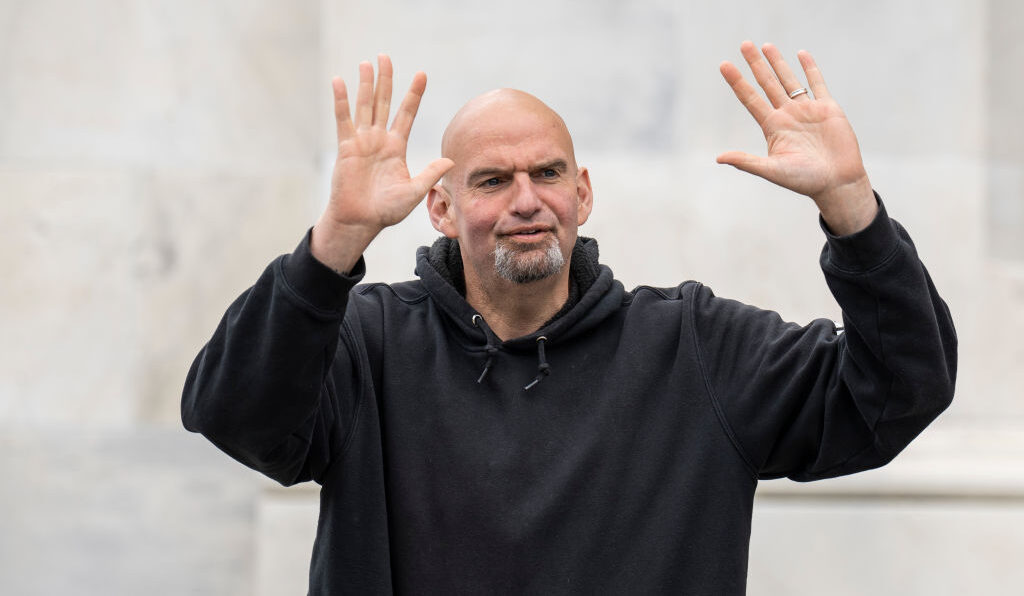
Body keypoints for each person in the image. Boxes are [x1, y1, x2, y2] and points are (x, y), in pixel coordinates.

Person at [182, 41, 956, 594]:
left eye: (547, 172)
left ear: (581, 194)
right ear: (441, 209)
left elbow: (897, 392)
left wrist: (851, 206)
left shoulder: (696, 346)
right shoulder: (366, 341)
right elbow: (233, 412)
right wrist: (333, 246)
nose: (527, 200)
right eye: (492, 180)